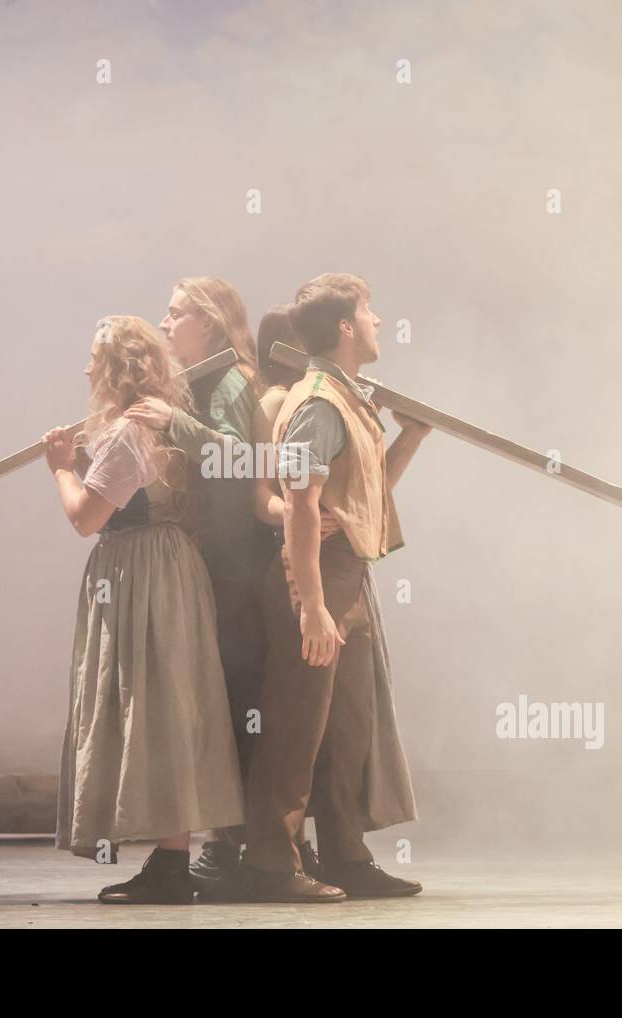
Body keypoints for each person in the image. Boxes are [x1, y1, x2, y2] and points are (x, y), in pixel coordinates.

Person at [238, 273, 431, 902]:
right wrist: (312, 606)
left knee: (348, 729)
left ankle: (346, 854)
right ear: (345, 327)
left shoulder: (350, 402)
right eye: (369, 313)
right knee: (296, 726)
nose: (378, 322)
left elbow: (365, 496)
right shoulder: (319, 402)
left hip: (349, 571)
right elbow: (299, 509)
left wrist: (414, 435)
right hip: (317, 574)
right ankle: (271, 861)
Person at [42, 316, 245, 904]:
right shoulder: (156, 423)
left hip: (141, 572)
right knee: (166, 704)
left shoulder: (129, 431)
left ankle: (172, 863)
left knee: (153, 704)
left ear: (113, 369)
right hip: (165, 565)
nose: (85, 370)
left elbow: (85, 518)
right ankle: (171, 857)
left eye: (92, 359)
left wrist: (59, 467)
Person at [122, 277, 270, 887]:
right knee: (226, 705)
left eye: (176, 313)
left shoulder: (230, 379)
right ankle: (230, 846)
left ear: (208, 323)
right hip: (222, 563)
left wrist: (173, 420)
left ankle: (236, 849)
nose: (165, 322)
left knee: (233, 704)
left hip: (234, 568)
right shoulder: (210, 380)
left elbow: (240, 461)